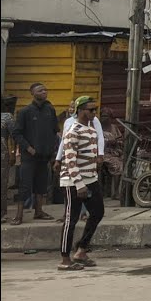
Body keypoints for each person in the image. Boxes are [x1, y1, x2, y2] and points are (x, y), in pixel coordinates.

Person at [57, 97, 106, 271]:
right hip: (73, 182)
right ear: (81, 111)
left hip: (90, 179)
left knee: (98, 212)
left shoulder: (90, 129)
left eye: (95, 110)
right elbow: (69, 160)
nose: (94, 113)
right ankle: (65, 259)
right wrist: (79, 184)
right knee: (71, 219)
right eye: (91, 110)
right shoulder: (73, 131)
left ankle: (81, 250)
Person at [11, 83, 60, 225]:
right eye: (40, 90)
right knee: (25, 185)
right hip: (29, 156)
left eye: (45, 89)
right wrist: (28, 148)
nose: (44, 92)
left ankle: (39, 212)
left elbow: (54, 130)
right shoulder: (25, 112)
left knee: (42, 184)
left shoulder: (50, 110)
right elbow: (17, 133)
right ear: (32, 93)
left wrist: (53, 150)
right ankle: (19, 215)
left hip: (44, 155)